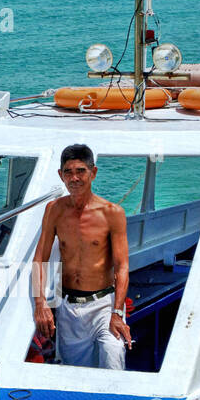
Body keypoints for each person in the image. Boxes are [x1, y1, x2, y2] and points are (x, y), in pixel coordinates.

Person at [32, 143, 131, 369]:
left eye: (81, 171)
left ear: (93, 173)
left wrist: (117, 312)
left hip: (104, 305)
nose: (74, 178)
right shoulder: (54, 209)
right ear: (61, 175)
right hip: (69, 307)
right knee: (74, 371)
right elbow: (40, 259)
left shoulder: (112, 213)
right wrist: (40, 303)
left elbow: (122, 266)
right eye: (68, 172)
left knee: (113, 355)